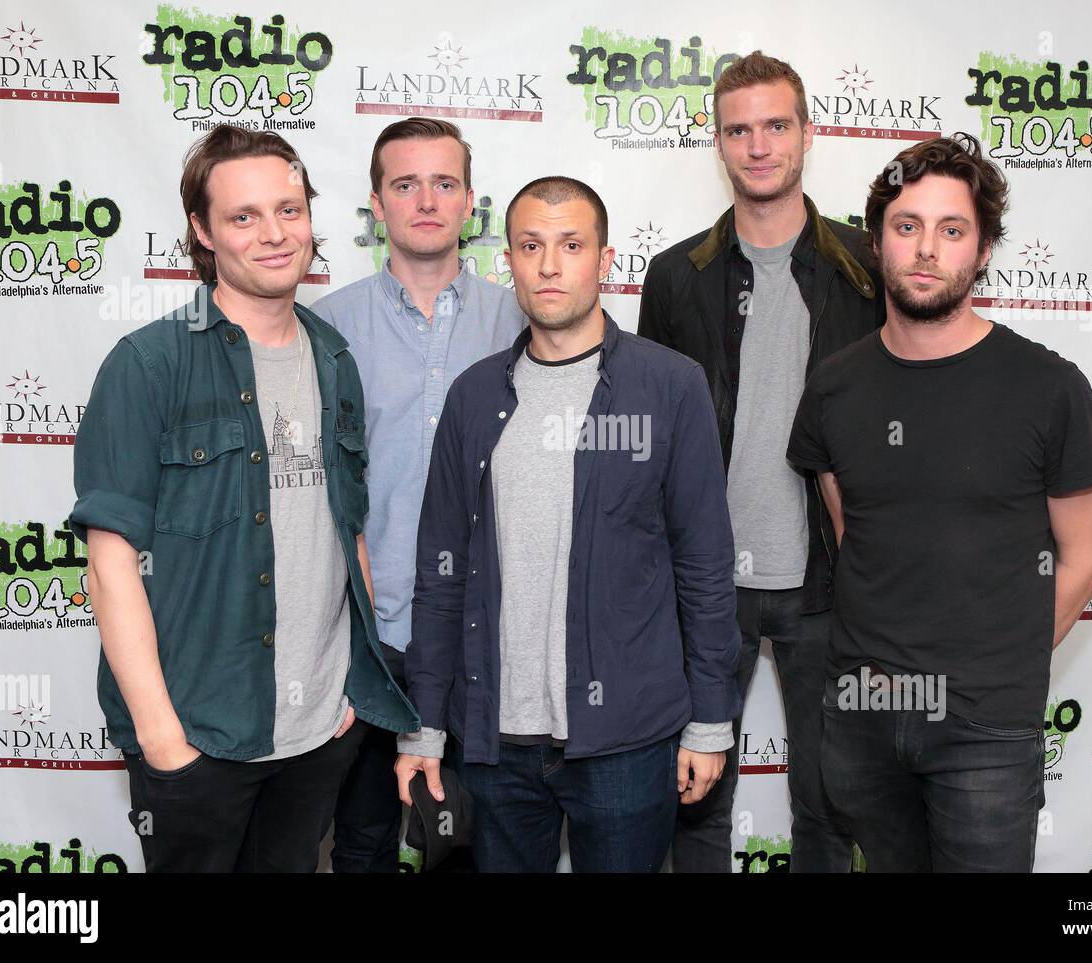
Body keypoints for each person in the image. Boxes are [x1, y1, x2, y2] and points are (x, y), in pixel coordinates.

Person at [69, 124, 418, 872]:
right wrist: (165, 741)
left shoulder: (333, 357)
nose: (274, 234)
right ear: (202, 229)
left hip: (320, 733)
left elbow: (345, 526)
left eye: (289, 210)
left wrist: (347, 702)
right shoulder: (147, 364)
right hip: (198, 736)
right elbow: (108, 567)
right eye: (244, 216)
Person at [396, 176, 742, 872]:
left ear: (605, 261)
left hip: (628, 742)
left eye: (571, 244)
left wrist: (710, 718)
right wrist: (423, 727)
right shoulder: (473, 396)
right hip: (492, 743)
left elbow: (704, 563)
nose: (550, 264)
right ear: (510, 262)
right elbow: (440, 577)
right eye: (531, 245)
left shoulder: (671, 386)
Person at [787, 133, 1092, 872]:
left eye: (952, 229)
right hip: (864, 719)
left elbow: (1086, 559)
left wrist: (996, 671)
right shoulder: (835, 386)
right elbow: (851, 531)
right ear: (878, 243)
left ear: (984, 250)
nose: (926, 248)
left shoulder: (1050, 388)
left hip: (984, 729)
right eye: (907, 227)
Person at [638, 50, 883, 873]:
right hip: (707, 584)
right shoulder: (677, 276)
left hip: (830, 582)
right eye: (738, 129)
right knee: (694, 801)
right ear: (718, 144)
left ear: (807, 134)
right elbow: (652, 442)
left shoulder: (867, 268)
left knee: (830, 803)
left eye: (776, 125)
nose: (758, 145)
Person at [312, 118, 525, 873]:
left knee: (473, 843)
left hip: (489, 635)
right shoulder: (325, 328)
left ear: (471, 202)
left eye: (444, 183)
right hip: (368, 634)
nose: (425, 200)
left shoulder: (523, 320)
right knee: (362, 841)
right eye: (405, 184)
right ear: (376, 203)